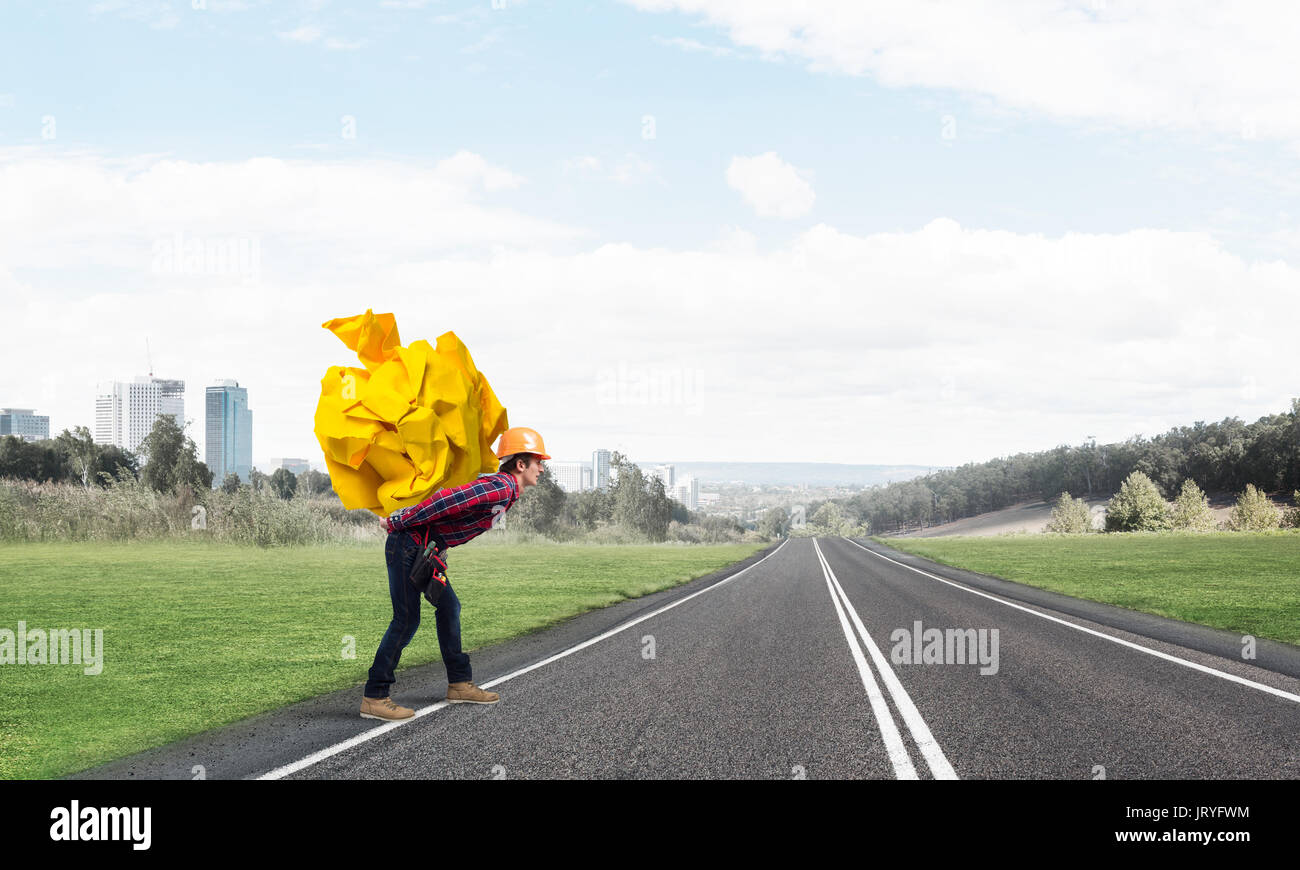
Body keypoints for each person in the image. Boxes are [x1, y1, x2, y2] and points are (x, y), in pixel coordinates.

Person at [360, 427, 550, 720]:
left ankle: (459, 684)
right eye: (538, 461)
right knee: (406, 619)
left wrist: (440, 549)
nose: (542, 467)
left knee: (450, 607)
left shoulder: (508, 492)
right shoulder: (501, 486)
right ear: (521, 464)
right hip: (408, 544)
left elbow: (456, 519)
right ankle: (375, 696)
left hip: (424, 549)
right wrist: (399, 521)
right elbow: (447, 500)